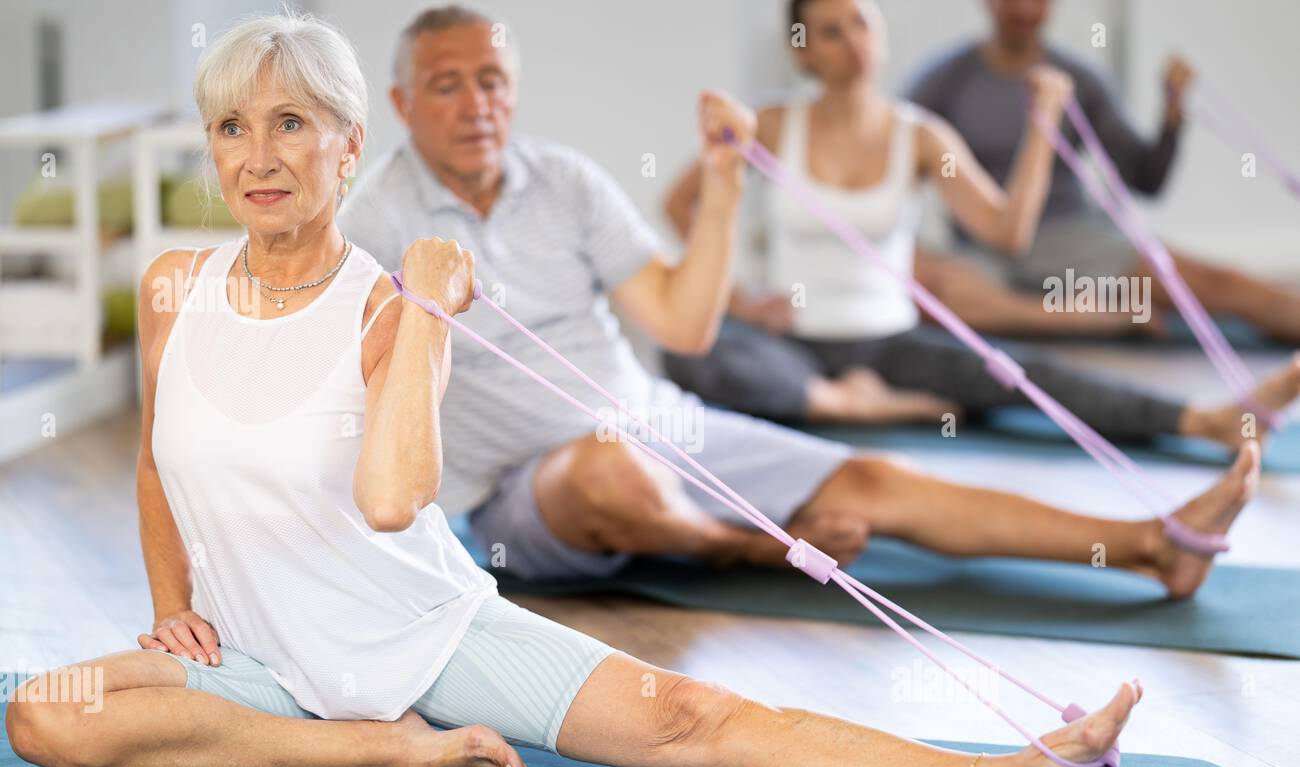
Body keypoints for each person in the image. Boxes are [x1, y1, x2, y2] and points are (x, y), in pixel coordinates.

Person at [5, 10, 1155, 767]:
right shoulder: (173, 288)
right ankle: (380, 746)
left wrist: (420, 312)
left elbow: (394, 500)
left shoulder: (386, 306)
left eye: (291, 123)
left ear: (348, 149)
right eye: (232, 128)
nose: (257, 157)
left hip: (422, 636)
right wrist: (171, 609)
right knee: (42, 719)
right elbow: (158, 463)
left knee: (693, 717)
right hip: (261, 661)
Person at [338, 5, 1257, 601]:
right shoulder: (374, 219)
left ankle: (1150, 544)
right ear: (402, 103)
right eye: (446, 85)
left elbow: (682, 324)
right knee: (599, 472)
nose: (474, 104)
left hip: (664, 425)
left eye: (490, 80)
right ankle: (746, 548)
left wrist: (730, 184)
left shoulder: (567, 179)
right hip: (524, 495)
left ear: (514, 89)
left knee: (873, 479)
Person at [661, 0, 1300, 443]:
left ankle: (1203, 421)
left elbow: (1007, 231)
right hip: (791, 344)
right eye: (829, 31)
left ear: (880, 33)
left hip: (888, 343)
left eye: (861, 22)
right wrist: (741, 304)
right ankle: (846, 403)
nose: (852, 41)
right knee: (686, 353)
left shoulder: (919, 135)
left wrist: (1043, 128)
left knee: (1024, 375)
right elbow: (677, 204)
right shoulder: (770, 123)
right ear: (803, 53)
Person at [906, 0, 1300, 343]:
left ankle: (1069, 309)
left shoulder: (1080, 81)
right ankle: (1084, 317)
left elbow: (1146, 180)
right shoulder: (943, 82)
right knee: (928, 293)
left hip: (1077, 247)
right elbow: (890, 155)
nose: (1024, 9)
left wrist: (1172, 117)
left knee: (1222, 286)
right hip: (985, 255)